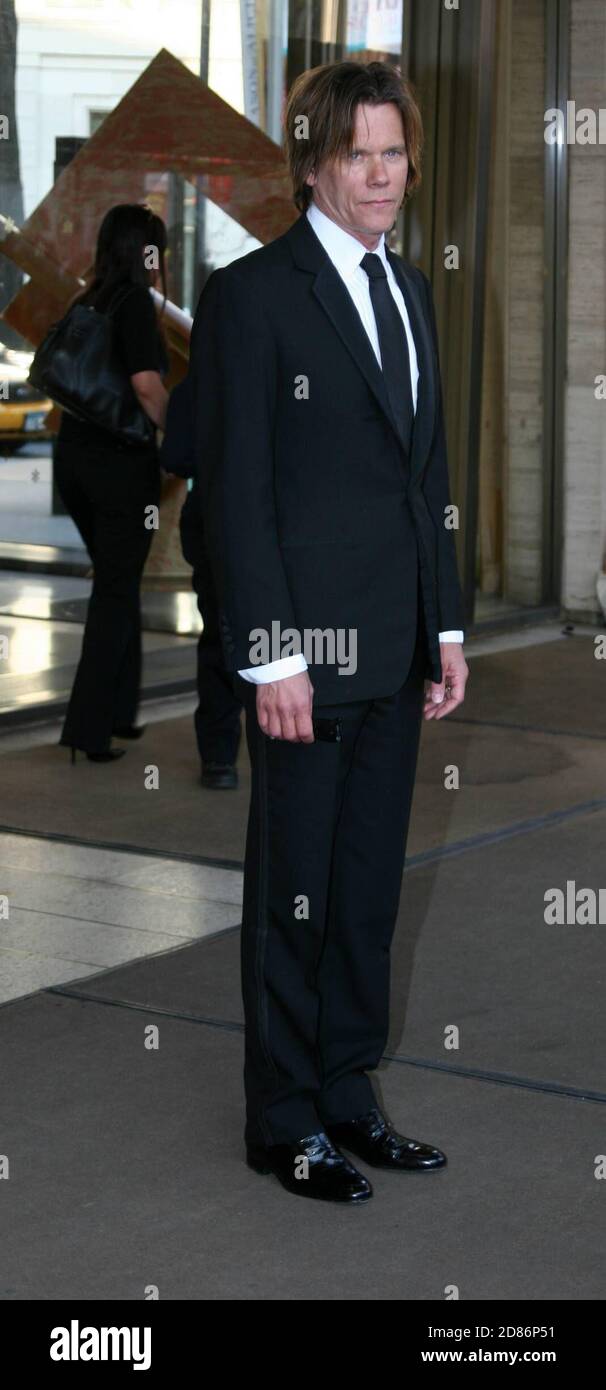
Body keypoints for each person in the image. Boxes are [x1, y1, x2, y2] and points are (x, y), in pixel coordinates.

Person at [189, 61, 469, 1203]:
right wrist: (270, 653)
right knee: (294, 888)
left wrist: (444, 623)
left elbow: (427, 477)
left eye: (393, 152)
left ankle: (348, 1092)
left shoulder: (407, 293)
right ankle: (282, 1115)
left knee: (363, 889)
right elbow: (235, 495)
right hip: (307, 652)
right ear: (312, 162)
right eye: (357, 153)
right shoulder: (253, 295)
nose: (381, 175)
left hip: (396, 647)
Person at [54, 203, 169, 763]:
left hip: (73, 460)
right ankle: (88, 730)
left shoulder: (89, 297)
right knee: (116, 590)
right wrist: (182, 432)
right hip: (120, 469)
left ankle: (120, 711)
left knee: (118, 582)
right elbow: (147, 388)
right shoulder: (136, 306)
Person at [159, 376, 243, 787]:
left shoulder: (193, 388)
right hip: (274, 521)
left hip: (209, 515)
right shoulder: (282, 378)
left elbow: (176, 457)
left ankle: (218, 758)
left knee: (217, 637)